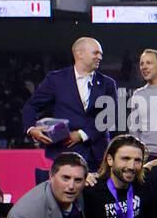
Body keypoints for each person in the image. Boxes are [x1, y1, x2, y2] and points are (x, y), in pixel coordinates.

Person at [21, 37, 118, 169]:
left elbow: (110, 115)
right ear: (79, 54)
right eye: (95, 53)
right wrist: (31, 129)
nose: (100, 57)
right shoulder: (56, 79)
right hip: (63, 152)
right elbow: (32, 105)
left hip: (98, 153)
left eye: (101, 54)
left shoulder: (108, 83)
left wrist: (82, 134)